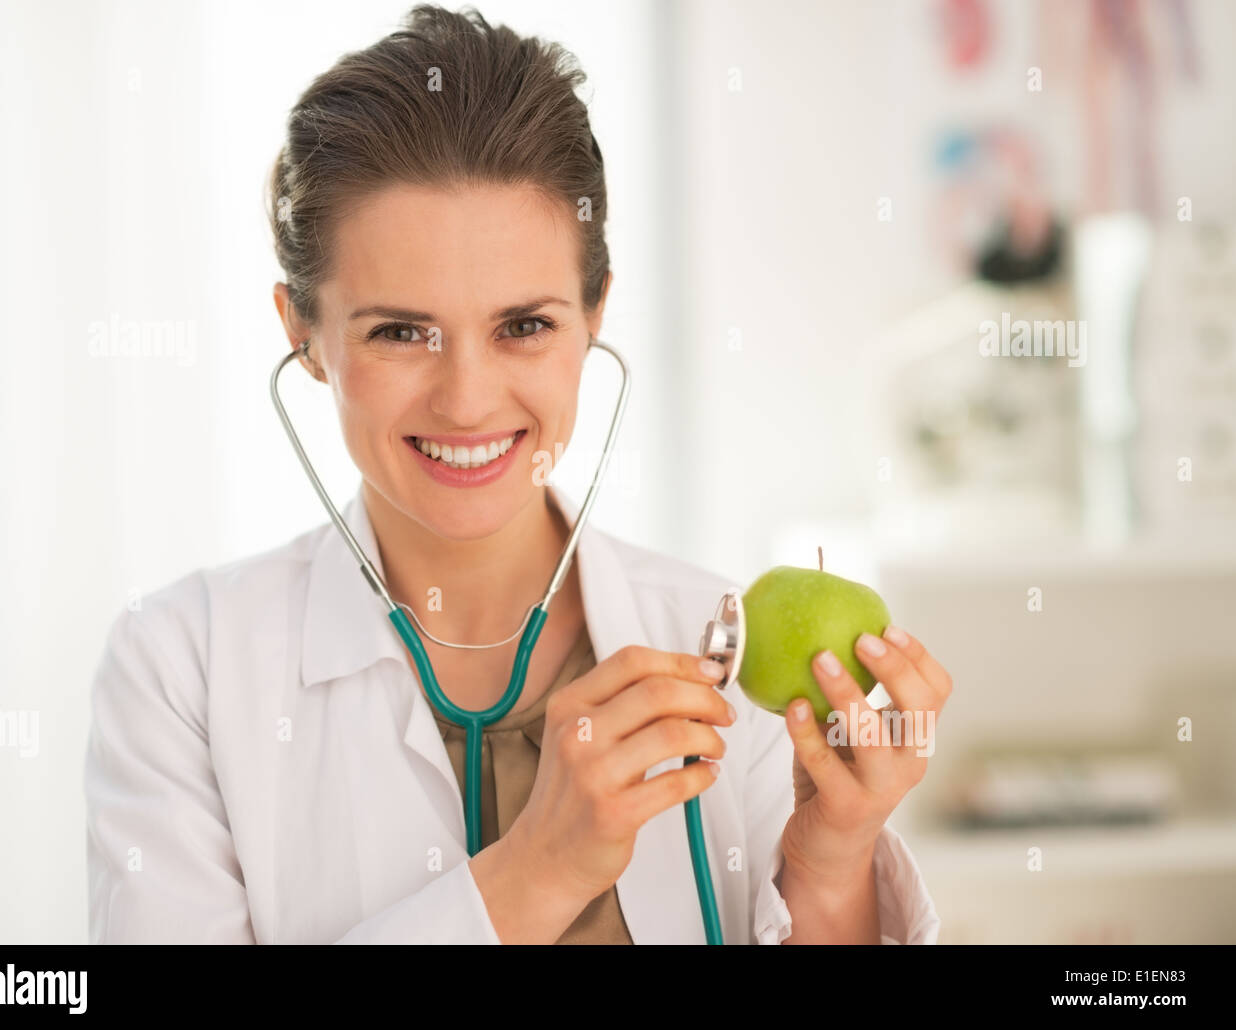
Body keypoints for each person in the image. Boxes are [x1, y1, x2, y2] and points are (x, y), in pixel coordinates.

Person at [84, 3, 953, 945]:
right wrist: (537, 874)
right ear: (304, 335)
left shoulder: (718, 651)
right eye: (400, 332)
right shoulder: (184, 669)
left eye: (524, 326)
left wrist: (831, 864)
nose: (466, 401)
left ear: (594, 316)